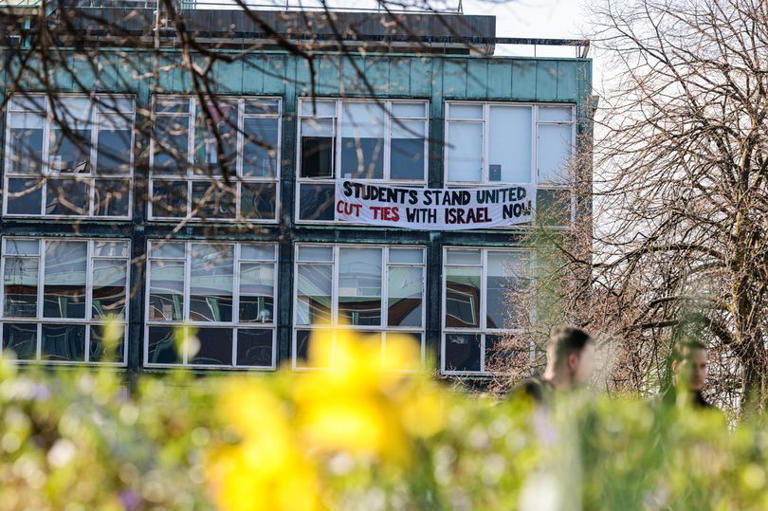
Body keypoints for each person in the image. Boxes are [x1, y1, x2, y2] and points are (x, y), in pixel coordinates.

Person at [516, 325, 596, 405]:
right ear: (573, 361)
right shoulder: (527, 396)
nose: (592, 368)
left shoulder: (575, 404)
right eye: (589, 359)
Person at [667, 340, 716, 409]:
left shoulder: (713, 415)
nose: (698, 373)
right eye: (691, 366)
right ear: (675, 367)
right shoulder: (652, 411)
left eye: (703, 366)